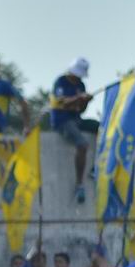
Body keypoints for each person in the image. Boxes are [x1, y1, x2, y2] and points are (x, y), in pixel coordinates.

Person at [50, 58, 94, 204]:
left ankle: (96, 167)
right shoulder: (60, 82)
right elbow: (62, 101)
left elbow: (81, 110)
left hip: (76, 119)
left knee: (104, 128)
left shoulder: (81, 84)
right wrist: (78, 97)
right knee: (82, 144)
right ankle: (79, 184)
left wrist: (85, 101)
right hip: (62, 120)